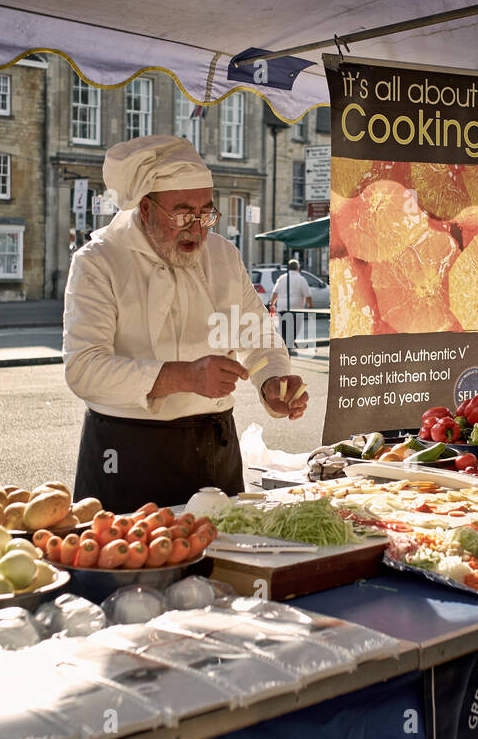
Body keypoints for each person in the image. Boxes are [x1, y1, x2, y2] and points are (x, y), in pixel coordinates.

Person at [63, 135, 307, 512]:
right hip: (126, 450)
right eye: (182, 214)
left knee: (223, 563)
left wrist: (271, 380)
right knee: (130, 566)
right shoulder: (99, 261)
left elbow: (257, 337)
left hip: (214, 447)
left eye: (206, 213)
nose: (196, 228)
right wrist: (185, 377)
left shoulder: (223, 256)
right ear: (145, 209)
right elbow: (84, 369)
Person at [270, 258, 313, 352]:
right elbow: (307, 295)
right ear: (298, 268)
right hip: (296, 308)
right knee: (295, 327)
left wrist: (272, 303)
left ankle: (287, 344)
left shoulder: (282, 278)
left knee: (284, 326)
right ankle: (289, 344)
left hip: (282, 307)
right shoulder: (302, 279)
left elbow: (275, 292)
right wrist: (310, 306)